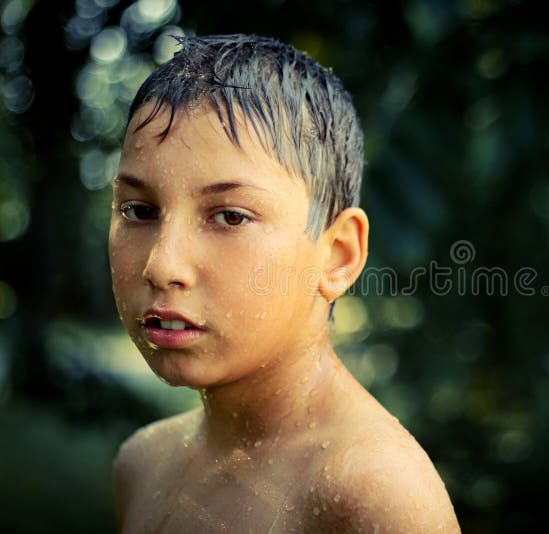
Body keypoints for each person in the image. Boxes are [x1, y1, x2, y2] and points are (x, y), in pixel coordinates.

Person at [109, 34, 460, 532]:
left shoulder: (374, 493)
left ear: (337, 255)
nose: (162, 265)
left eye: (230, 217)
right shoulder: (141, 464)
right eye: (139, 211)